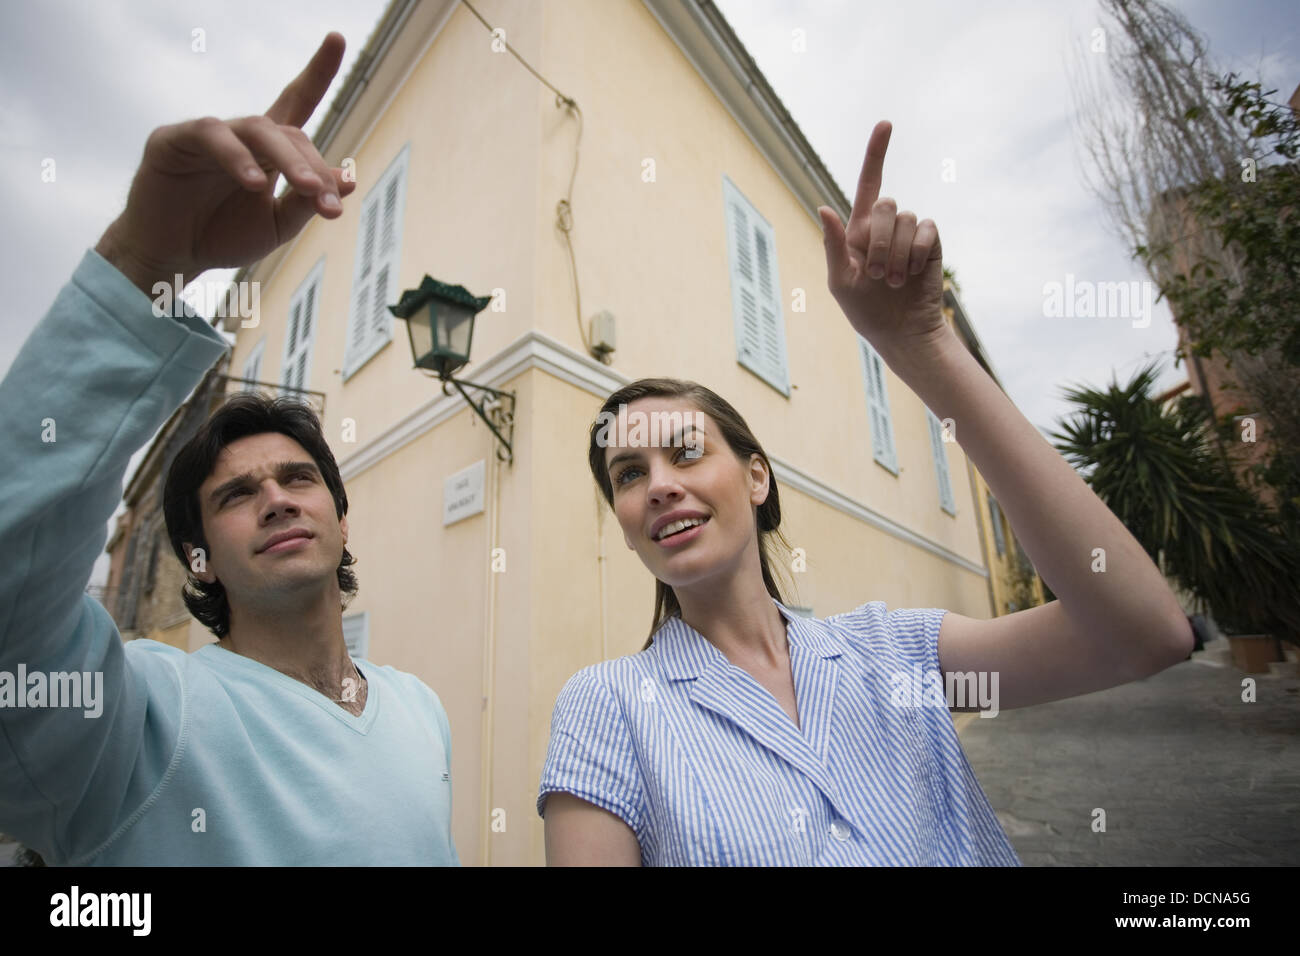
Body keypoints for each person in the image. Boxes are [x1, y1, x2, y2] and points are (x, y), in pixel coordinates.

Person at [537, 120, 1194, 866]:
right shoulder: (608, 708)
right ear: (624, 526)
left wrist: (925, 347)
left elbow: (1146, 637)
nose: (658, 485)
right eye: (628, 474)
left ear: (758, 477)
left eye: (687, 451)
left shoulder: (896, 655)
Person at [0, 33, 458, 865]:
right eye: (235, 495)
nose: (277, 497)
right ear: (198, 560)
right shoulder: (140, 719)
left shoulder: (422, 708)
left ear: (342, 522)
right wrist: (142, 264)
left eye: (297, 477)